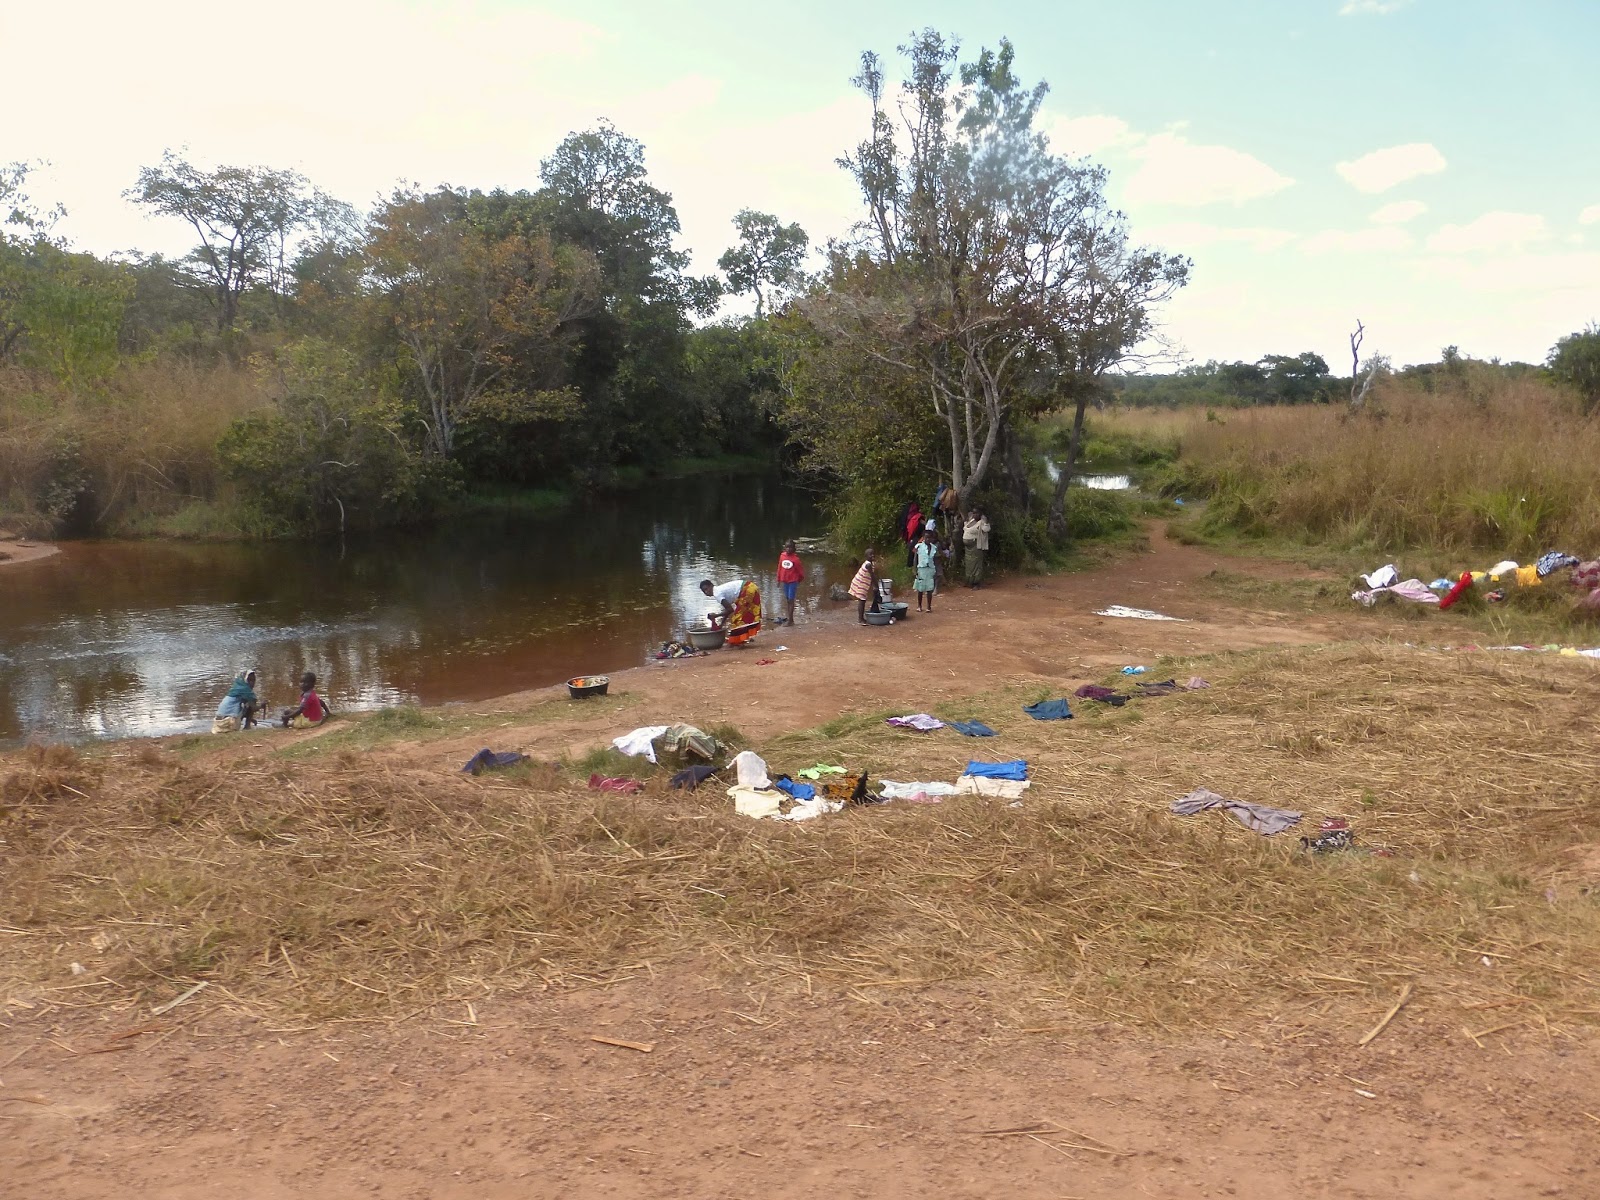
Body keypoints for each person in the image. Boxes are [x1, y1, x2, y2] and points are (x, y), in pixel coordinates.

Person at [699, 578, 763, 646]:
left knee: (737, 619)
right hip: (751, 587)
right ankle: (741, 639)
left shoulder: (717, 594)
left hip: (747, 590)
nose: (706, 592)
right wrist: (721, 625)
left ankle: (738, 641)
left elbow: (730, 610)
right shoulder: (718, 591)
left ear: (711, 585)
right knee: (745, 616)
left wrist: (716, 615)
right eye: (704, 591)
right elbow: (727, 610)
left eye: (706, 589)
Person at [776, 540, 805, 626]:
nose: (788, 549)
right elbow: (779, 568)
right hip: (785, 582)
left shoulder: (795, 559)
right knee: (788, 599)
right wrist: (778, 579)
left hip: (792, 582)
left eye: (790, 547)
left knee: (791, 600)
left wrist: (798, 580)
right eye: (787, 547)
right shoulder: (782, 556)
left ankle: (790, 620)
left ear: (793, 548)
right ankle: (790, 618)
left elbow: (800, 572)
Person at [848, 549, 879, 625]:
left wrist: (874, 585)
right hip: (860, 583)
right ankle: (860, 619)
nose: (872, 555)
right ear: (866, 557)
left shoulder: (871, 563)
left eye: (873, 554)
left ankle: (861, 618)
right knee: (862, 600)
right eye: (870, 554)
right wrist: (876, 586)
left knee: (863, 599)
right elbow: (872, 576)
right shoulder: (868, 565)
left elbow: (872, 576)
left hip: (863, 583)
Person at [963, 507, 991, 588]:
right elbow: (965, 528)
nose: (975, 515)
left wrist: (985, 521)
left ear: (980, 514)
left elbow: (986, 529)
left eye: (977, 513)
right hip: (968, 549)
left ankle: (977, 583)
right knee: (969, 565)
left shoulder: (981, 522)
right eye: (974, 513)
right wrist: (967, 519)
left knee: (976, 564)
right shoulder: (971, 520)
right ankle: (969, 581)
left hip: (976, 546)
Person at [913, 529, 938, 612]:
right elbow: (915, 559)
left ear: (932, 539)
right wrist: (914, 569)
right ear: (923, 538)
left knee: (929, 589)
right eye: (926, 538)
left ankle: (928, 606)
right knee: (920, 589)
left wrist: (935, 570)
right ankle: (919, 606)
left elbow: (935, 560)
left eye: (930, 538)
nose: (928, 539)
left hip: (930, 569)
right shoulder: (918, 546)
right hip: (921, 569)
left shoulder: (934, 548)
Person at [903, 501, 924, 568]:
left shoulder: (910, 517)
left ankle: (912, 567)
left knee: (912, 554)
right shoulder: (919, 517)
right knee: (915, 554)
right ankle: (914, 568)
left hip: (911, 538)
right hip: (917, 538)